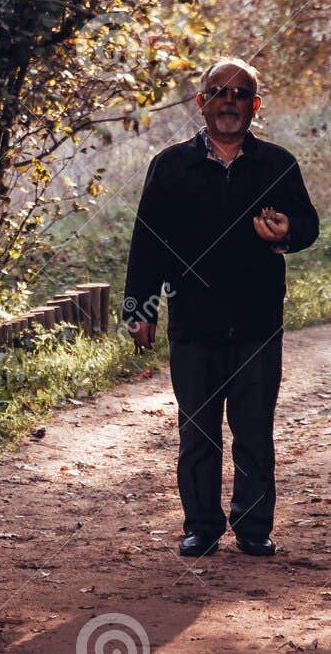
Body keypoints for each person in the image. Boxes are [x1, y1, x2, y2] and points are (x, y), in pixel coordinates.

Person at [122, 58, 319, 558]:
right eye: (219, 92)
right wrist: (139, 309)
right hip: (193, 321)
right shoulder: (169, 166)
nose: (229, 102)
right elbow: (147, 244)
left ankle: (254, 530)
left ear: (254, 105)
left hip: (256, 321)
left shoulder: (277, 164)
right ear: (202, 103)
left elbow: (308, 225)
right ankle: (202, 528)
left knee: (254, 428)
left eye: (239, 94)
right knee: (198, 431)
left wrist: (288, 234)